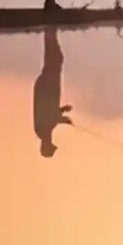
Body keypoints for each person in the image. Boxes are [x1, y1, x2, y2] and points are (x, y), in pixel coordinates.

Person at [33, 27, 73, 157]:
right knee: (55, 57)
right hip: (49, 86)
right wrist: (63, 112)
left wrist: (62, 119)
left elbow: (47, 113)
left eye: (50, 145)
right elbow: (51, 113)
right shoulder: (45, 131)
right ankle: (51, 29)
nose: (51, 142)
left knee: (54, 58)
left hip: (47, 86)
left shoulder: (42, 131)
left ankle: (50, 29)